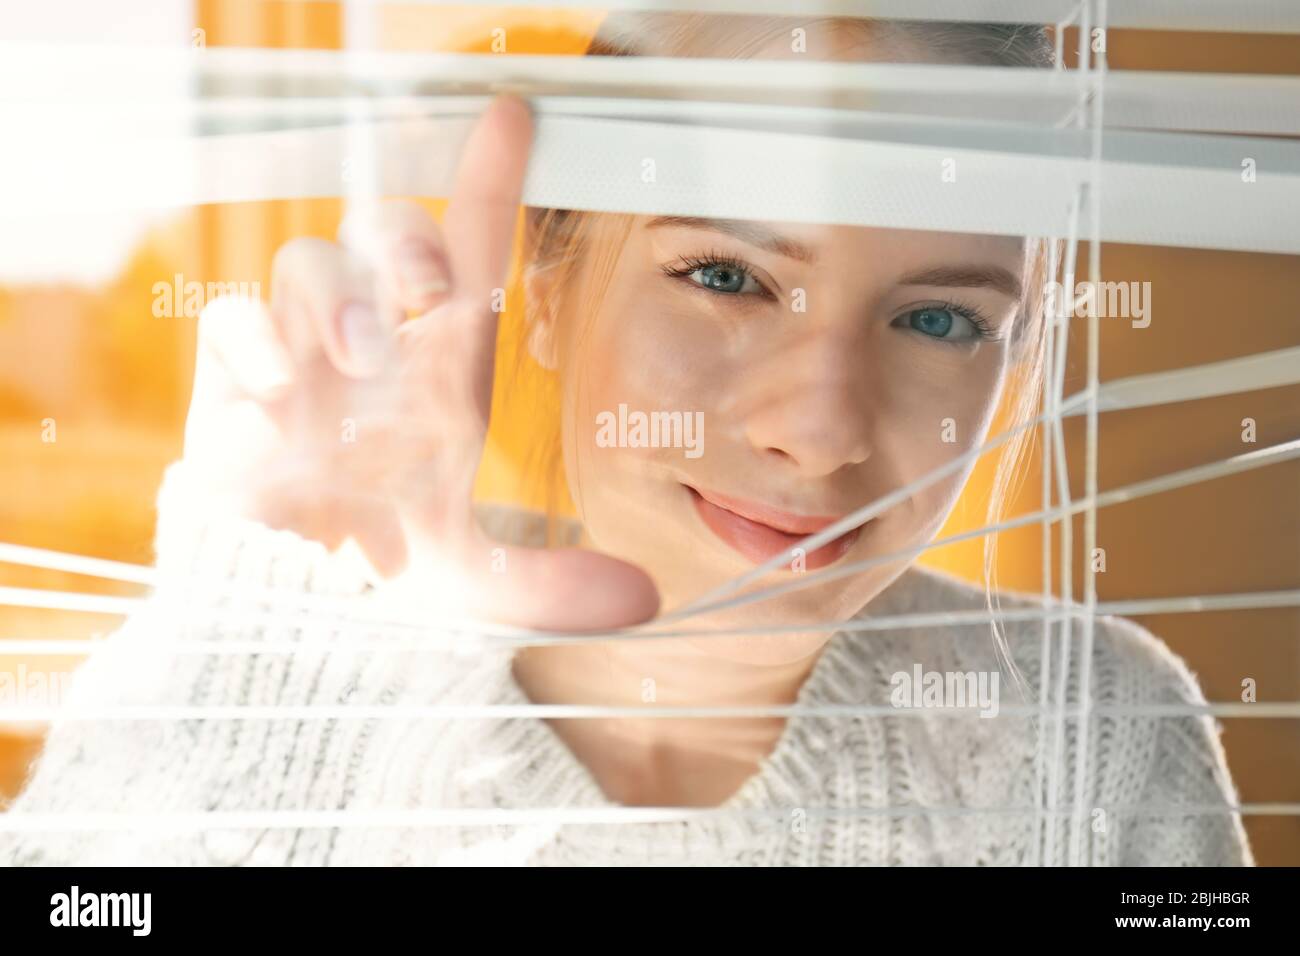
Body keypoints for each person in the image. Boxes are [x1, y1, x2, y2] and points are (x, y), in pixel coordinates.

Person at [1, 13, 1252, 865]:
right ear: (546, 285)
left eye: (937, 317)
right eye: (723, 274)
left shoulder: (1094, 742)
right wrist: (232, 671)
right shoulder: (261, 683)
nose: (815, 432)